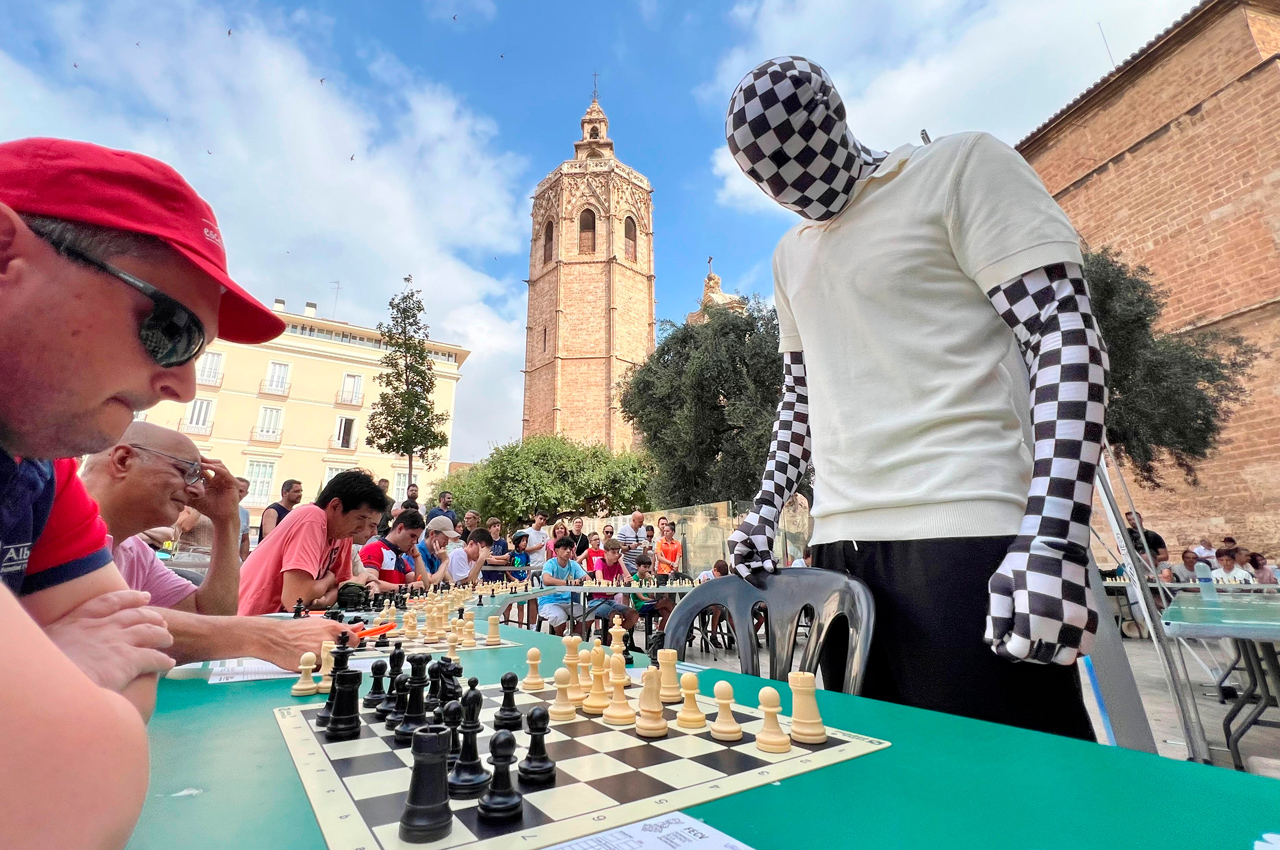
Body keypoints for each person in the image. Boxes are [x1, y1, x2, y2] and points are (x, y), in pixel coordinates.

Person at [724, 56, 1107, 739]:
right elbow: (800, 398)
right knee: (866, 782)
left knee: (1009, 788)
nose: (793, 189)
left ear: (834, 118)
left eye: (797, 160)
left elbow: (1064, 336)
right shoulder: (791, 255)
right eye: (769, 181)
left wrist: (1054, 537)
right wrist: (765, 510)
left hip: (967, 534)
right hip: (837, 551)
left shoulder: (958, 169)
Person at [0, 136, 292, 844]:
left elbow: (134, 664)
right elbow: (76, 780)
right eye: (169, 331)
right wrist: (66, 674)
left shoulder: (37, 470)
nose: (183, 385)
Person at [80, 423, 242, 615]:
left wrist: (227, 520)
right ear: (123, 460)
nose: (198, 491)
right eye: (187, 471)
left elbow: (212, 617)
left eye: (200, 478)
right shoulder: (48, 526)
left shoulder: (135, 553)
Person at [238, 470, 389, 615]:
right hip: (252, 619)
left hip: (285, 622)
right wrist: (329, 579)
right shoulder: (312, 518)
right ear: (336, 506)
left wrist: (326, 594)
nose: (363, 528)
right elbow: (295, 599)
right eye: (360, 518)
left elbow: (342, 587)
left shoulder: (342, 535)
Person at [360, 509, 430, 589]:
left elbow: (423, 586)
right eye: (412, 536)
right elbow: (370, 583)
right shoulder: (373, 549)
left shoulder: (401, 560)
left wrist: (417, 556)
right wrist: (407, 588)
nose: (414, 542)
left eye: (417, 538)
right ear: (400, 528)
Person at [587, 538, 639, 635]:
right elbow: (600, 581)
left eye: (618, 552)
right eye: (613, 552)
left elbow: (629, 579)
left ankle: (613, 638)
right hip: (596, 601)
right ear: (606, 552)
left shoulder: (617, 563)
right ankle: (609, 641)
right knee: (616, 616)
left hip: (610, 601)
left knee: (633, 614)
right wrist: (619, 583)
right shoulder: (600, 562)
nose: (616, 555)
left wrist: (620, 561)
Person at [538, 537, 588, 636]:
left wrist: (580, 581)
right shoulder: (550, 564)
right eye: (565, 549)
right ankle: (560, 643)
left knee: (588, 614)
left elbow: (587, 579)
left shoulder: (573, 564)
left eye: (570, 548)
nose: (568, 551)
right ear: (556, 551)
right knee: (560, 617)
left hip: (567, 602)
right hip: (549, 602)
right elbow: (546, 580)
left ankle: (574, 640)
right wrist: (569, 582)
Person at [633, 557, 674, 631]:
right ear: (637, 566)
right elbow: (642, 598)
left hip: (649, 603)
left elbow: (651, 595)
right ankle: (680, 621)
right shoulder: (634, 579)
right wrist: (656, 601)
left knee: (666, 613)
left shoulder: (648, 579)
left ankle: (660, 634)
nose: (647, 570)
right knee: (666, 602)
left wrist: (650, 582)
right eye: (644, 567)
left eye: (648, 567)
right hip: (641, 605)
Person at [415, 515, 460, 580]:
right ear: (432, 534)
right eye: (445, 539)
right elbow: (430, 582)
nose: (446, 543)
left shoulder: (436, 553)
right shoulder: (417, 552)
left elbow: (450, 582)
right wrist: (445, 561)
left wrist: (443, 561)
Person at [520, 510, 551, 577]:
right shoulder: (526, 532)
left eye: (544, 519)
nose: (542, 521)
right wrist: (535, 548)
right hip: (530, 565)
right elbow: (522, 549)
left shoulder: (544, 534)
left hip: (541, 565)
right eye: (540, 518)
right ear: (535, 518)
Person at [616, 511, 648, 575]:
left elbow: (645, 546)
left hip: (639, 565)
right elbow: (618, 548)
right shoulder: (623, 530)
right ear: (634, 520)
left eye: (642, 521)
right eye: (640, 522)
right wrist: (629, 547)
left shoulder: (643, 529)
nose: (642, 523)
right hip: (627, 563)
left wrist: (644, 560)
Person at [480, 517, 511, 582]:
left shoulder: (504, 543)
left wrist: (495, 561)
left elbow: (506, 559)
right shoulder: (485, 542)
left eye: (498, 526)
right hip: (487, 573)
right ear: (489, 529)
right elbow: (485, 557)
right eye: (494, 526)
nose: (497, 528)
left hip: (499, 573)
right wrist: (501, 558)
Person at [235, 476, 252, 560]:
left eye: (241, 491)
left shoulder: (245, 513)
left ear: (246, 494)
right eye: (235, 489)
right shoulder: (215, 508)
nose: (237, 493)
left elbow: (245, 539)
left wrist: (243, 560)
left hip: (234, 561)